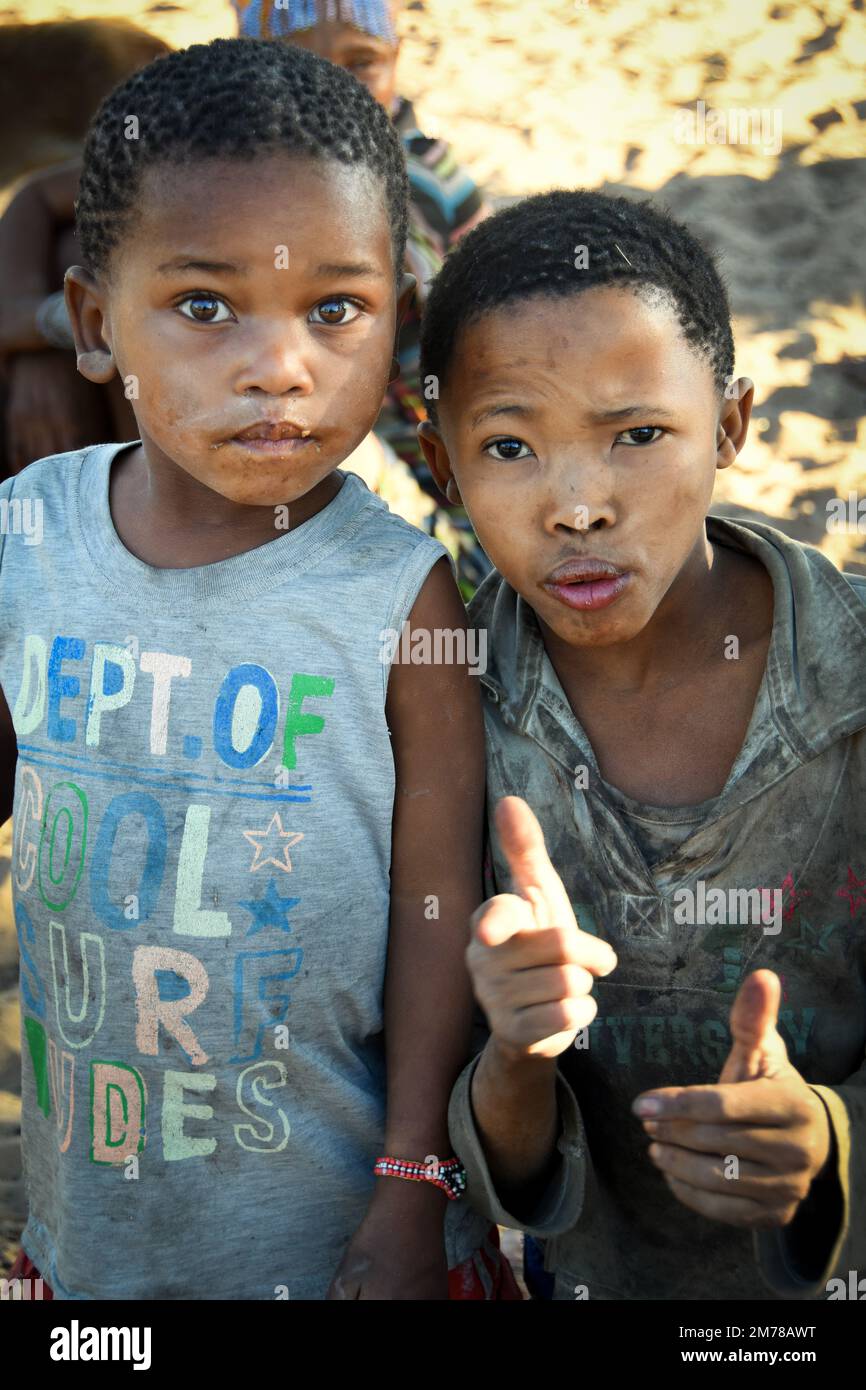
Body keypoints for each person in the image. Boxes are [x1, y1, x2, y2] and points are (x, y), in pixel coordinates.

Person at [0, 37, 520, 1301]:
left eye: (335, 309)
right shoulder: (29, 531)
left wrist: (412, 1181)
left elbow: (432, 909)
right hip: (95, 1235)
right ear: (89, 324)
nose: (279, 365)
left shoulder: (402, 595)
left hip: (336, 1235)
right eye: (202, 307)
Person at [416, 189, 866, 1300]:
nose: (576, 505)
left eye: (636, 435)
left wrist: (823, 1140)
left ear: (728, 426)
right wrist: (517, 1054)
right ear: (440, 462)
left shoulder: (852, 681)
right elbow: (498, 1158)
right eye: (510, 445)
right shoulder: (448, 710)